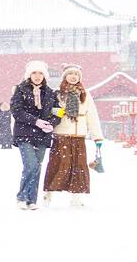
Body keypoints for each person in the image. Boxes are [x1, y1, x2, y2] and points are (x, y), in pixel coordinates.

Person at [42, 64, 104, 206]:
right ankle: (48, 194)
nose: (73, 76)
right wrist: (60, 112)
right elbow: (49, 110)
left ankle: (76, 197)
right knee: (58, 165)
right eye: (70, 74)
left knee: (79, 167)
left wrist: (97, 136)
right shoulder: (57, 93)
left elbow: (92, 116)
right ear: (65, 77)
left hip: (79, 136)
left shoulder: (85, 94)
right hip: (61, 135)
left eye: (76, 74)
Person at [11, 61, 61, 210]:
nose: (37, 76)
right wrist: (36, 121)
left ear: (44, 75)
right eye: (34, 73)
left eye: (40, 73)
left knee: (37, 167)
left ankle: (31, 200)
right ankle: (22, 196)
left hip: (42, 135)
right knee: (30, 165)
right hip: (24, 134)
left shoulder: (51, 93)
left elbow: (58, 112)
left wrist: (51, 123)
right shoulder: (20, 90)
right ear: (29, 75)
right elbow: (17, 111)